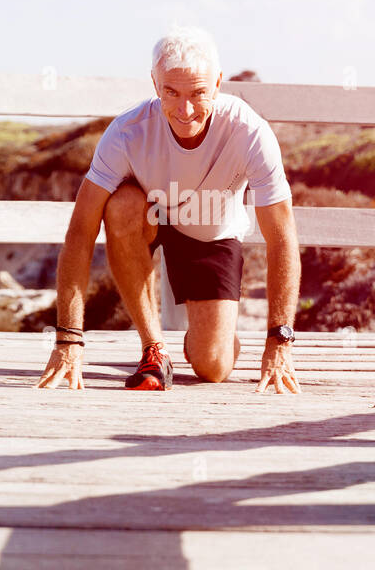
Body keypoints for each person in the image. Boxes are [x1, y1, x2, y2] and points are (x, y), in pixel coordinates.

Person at [34, 26, 301, 393]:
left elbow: (282, 238)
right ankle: (153, 349)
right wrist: (68, 341)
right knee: (122, 203)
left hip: (211, 231)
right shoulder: (126, 133)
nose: (185, 109)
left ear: (219, 83)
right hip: (149, 218)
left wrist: (279, 340)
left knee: (213, 367)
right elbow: (80, 231)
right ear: (154, 83)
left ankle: (211, 334)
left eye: (198, 93)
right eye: (171, 92)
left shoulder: (249, 133)